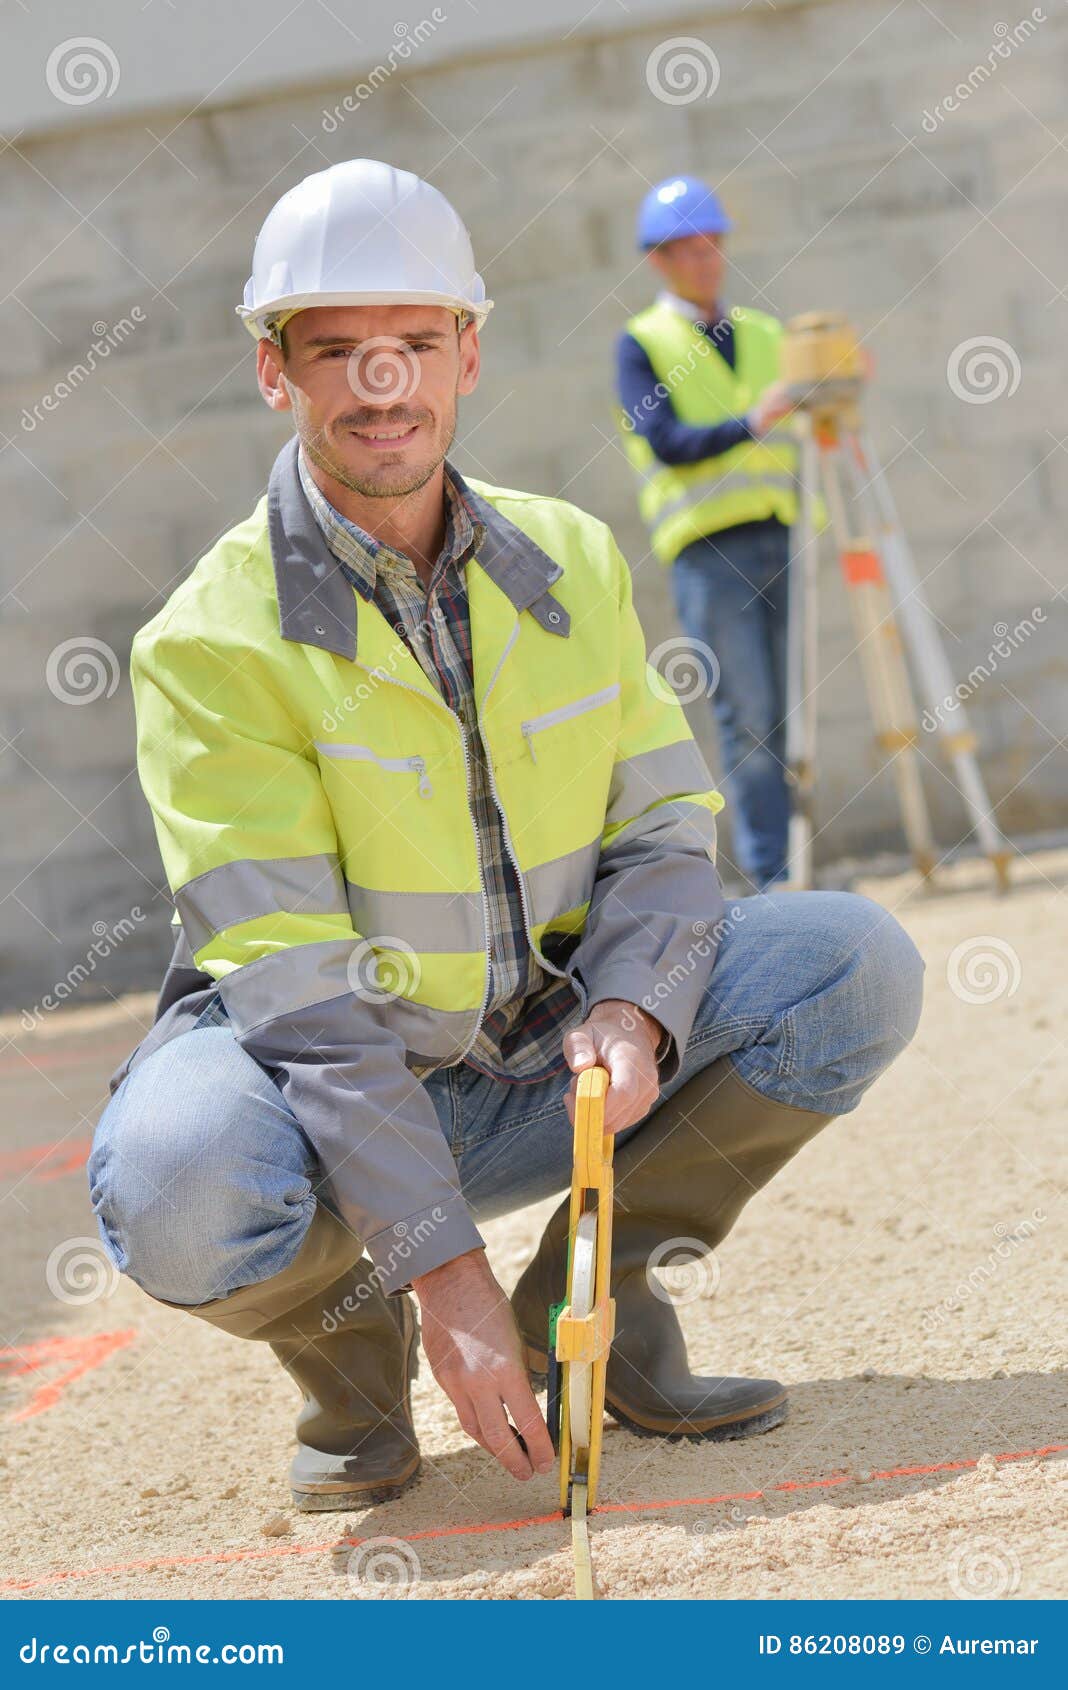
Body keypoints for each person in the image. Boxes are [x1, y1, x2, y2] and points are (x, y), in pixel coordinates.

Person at [88, 159, 924, 1513]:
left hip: (540, 1050)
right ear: (273, 370)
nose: (381, 386)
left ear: (467, 352)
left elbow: (664, 825)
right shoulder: (208, 640)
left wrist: (641, 1006)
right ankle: (355, 1357)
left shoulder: (568, 560)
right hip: (333, 1094)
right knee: (178, 1178)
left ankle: (599, 1296)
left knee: (852, 960)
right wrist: (439, 1262)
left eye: (414, 345)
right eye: (338, 352)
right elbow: (300, 991)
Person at [616, 174, 803, 890]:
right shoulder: (641, 345)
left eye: (711, 246)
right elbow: (663, 439)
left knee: (790, 719)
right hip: (709, 552)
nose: (704, 260)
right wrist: (753, 422)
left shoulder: (762, 333)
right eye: (686, 250)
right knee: (749, 721)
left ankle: (799, 866)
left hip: (783, 537)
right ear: (658, 260)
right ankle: (774, 879)